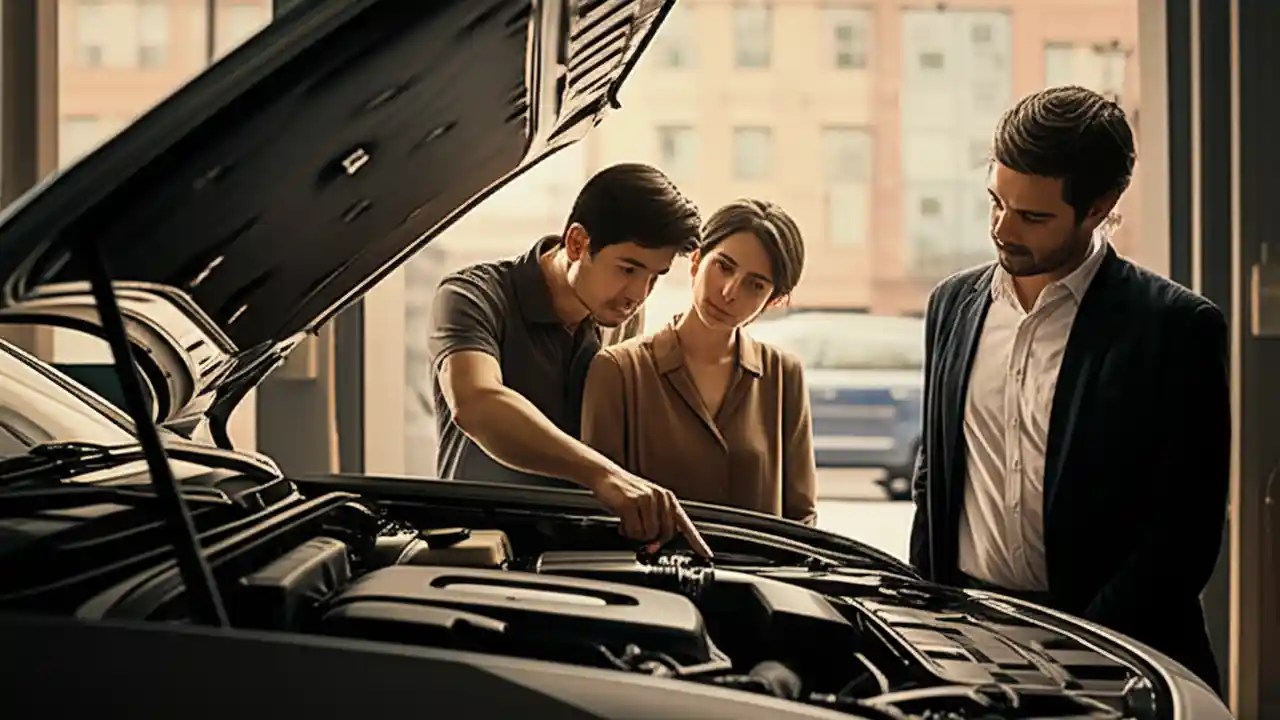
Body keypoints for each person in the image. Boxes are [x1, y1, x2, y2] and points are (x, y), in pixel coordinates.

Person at [908, 85, 1230, 693]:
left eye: (1033, 216)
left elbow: (1183, 532)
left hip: (1117, 656)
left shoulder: (1175, 328)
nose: (1002, 229)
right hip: (966, 645)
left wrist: (1076, 646)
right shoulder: (951, 304)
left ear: (1099, 205)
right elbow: (936, 475)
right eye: (995, 202)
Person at [428, 162, 712, 557]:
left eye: (654, 276)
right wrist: (603, 476)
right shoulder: (473, 296)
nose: (638, 293)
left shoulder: (621, 317)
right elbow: (476, 401)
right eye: (628, 269)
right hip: (478, 554)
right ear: (577, 243)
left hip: (578, 560)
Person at [579, 199, 817, 524]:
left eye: (755, 285)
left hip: (759, 573)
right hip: (647, 573)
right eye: (724, 266)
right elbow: (599, 507)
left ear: (773, 301)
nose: (730, 292)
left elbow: (801, 517)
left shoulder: (783, 375)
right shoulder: (619, 370)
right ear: (696, 262)